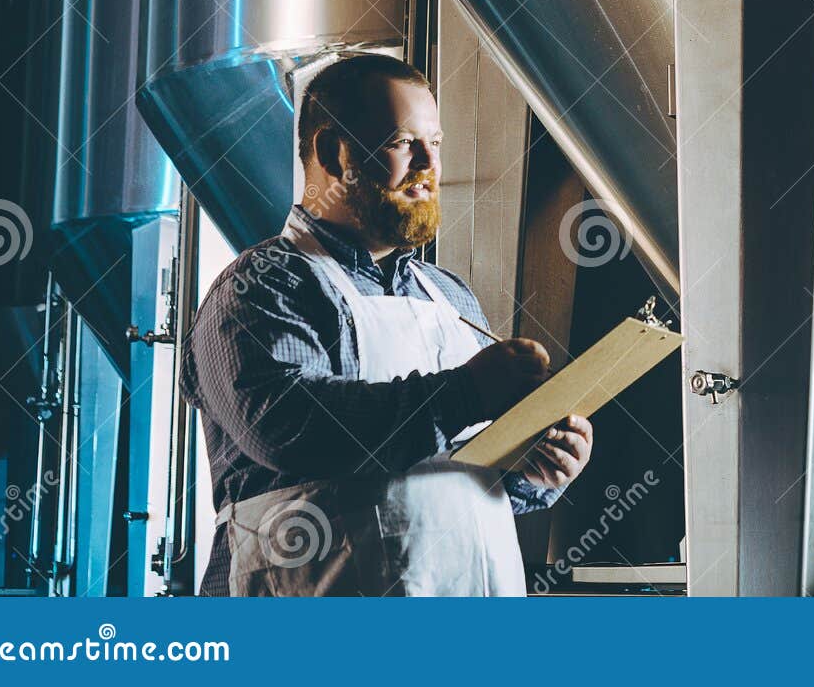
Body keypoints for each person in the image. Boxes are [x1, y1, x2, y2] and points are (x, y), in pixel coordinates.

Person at [181, 53, 591, 595]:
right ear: (334, 151)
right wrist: (465, 393)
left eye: (436, 144)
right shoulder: (260, 287)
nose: (429, 164)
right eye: (403, 143)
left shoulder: (447, 295)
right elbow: (293, 432)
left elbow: (452, 479)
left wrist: (532, 470)